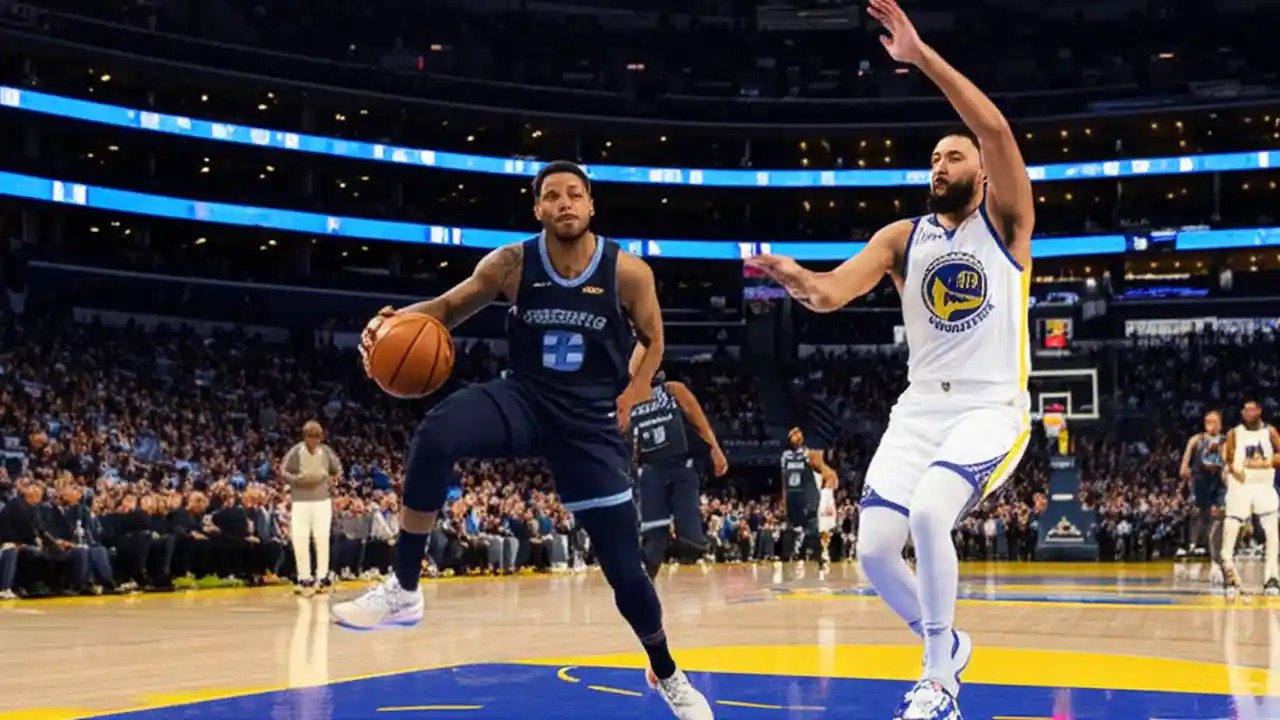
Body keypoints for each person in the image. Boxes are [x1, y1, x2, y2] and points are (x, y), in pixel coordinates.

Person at [331, 160, 714, 720]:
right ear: (537, 208)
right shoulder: (510, 264)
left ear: (590, 206)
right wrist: (390, 322)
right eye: (552, 195)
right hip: (527, 400)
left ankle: (667, 670)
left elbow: (653, 340)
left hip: (588, 423)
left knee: (627, 574)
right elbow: (444, 311)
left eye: (574, 195)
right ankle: (405, 586)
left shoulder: (629, 273)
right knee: (437, 432)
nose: (564, 203)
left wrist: (633, 393)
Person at [746, 1, 1034, 716]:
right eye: (935, 156)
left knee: (932, 515)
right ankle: (948, 641)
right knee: (874, 549)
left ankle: (938, 676)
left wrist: (920, 57)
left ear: (984, 173)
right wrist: (795, 280)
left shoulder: (1006, 222)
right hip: (919, 407)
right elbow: (830, 294)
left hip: (989, 406)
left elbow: (994, 127)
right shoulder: (902, 238)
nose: (942, 162)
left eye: (954, 154)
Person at [627, 360, 728, 580]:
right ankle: (643, 587)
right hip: (651, 469)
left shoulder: (673, 389)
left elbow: (698, 419)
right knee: (654, 537)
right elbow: (624, 438)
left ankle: (707, 546)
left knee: (690, 538)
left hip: (681, 465)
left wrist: (715, 450)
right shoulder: (629, 400)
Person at [1220, 400, 1280, 598]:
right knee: (1230, 530)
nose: (1249, 412)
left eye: (1253, 409)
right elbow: (1227, 459)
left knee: (1272, 532)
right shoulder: (1233, 433)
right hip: (1241, 486)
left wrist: (1266, 462)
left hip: (1264, 485)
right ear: (1242, 413)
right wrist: (1233, 472)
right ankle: (1229, 576)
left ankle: (1272, 578)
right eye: (1246, 409)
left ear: (1260, 411)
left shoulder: (1270, 432)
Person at [281, 420, 342, 595]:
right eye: (310, 436)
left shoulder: (326, 452)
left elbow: (337, 470)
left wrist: (331, 482)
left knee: (321, 538)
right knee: (300, 538)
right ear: (305, 436)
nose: (314, 440)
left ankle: (322, 577)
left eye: (317, 437)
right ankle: (304, 578)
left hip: (322, 500)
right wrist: (297, 480)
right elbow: (284, 471)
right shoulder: (296, 451)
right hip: (300, 500)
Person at [779, 428, 837, 568]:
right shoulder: (785, 456)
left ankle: (819, 555)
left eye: (798, 433)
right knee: (792, 528)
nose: (795, 436)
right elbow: (783, 480)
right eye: (792, 433)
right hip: (792, 495)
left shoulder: (809, 454)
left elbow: (825, 471)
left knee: (813, 528)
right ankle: (790, 556)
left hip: (807, 496)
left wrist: (828, 482)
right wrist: (783, 498)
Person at [1178, 409, 1226, 581]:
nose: (1211, 424)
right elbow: (1185, 461)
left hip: (1218, 483)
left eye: (1214, 421)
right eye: (1208, 421)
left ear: (1220, 423)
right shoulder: (1197, 440)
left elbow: (1228, 460)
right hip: (1201, 482)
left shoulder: (1225, 441)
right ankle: (1195, 547)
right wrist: (1184, 466)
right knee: (1202, 518)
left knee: (1217, 519)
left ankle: (1216, 562)